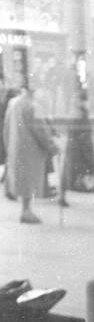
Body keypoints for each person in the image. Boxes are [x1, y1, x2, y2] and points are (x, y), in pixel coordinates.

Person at [2, 85, 59, 223]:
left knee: (21, 177)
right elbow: (41, 130)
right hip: (30, 149)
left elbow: (6, 126)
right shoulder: (34, 106)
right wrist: (52, 146)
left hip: (16, 146)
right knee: (29, 179)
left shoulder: (13, 103)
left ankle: (23, 206)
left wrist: (7, 144)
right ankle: (26, 211)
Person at [58, 90, 94, 209]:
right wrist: (89, 153)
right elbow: (85, 135)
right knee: (92, 171)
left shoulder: (73, 112)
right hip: (82, 149)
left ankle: (62, 196)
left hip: (72, 149)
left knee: (69, 173)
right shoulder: (82, 116)